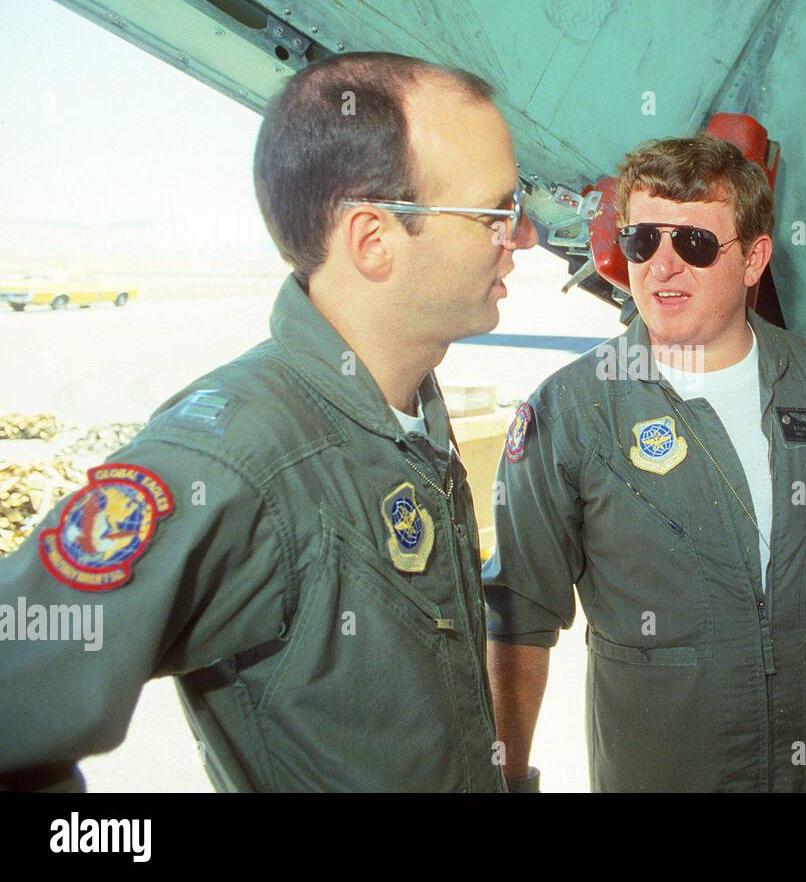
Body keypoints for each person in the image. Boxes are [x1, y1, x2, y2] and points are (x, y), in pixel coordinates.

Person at [0, 52, 536, 791]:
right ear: (374, 240)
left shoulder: (407, 416)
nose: (528, 236)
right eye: (495, 214)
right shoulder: (232, 462)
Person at [483, 134, 806, 792]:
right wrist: (503, 780)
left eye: (694, 244)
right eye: (643, 241)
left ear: (753, 259)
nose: (661, 267)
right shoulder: (572, 412)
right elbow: (519, 615)